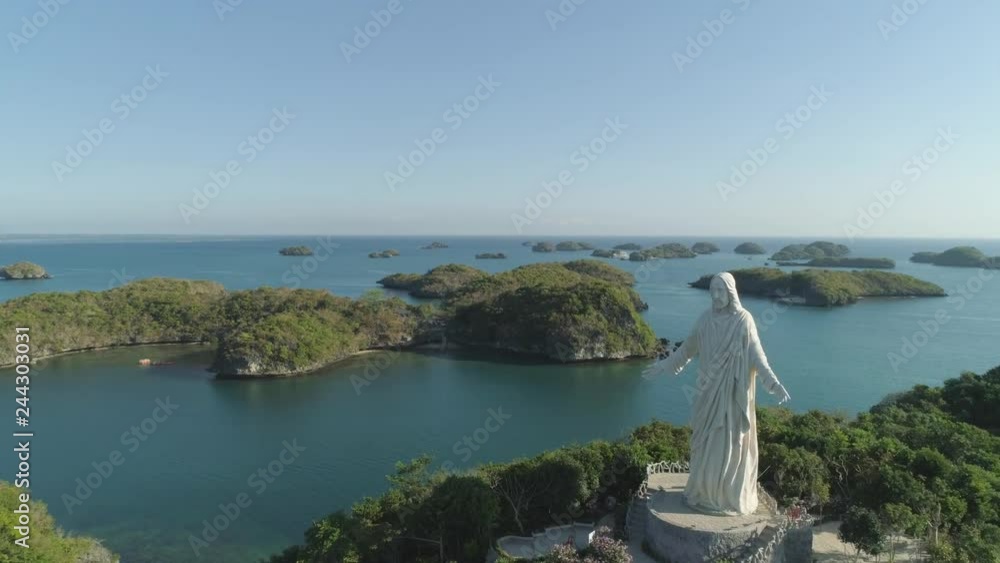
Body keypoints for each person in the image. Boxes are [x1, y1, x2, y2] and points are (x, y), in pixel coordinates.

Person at [642, 272, 790, 515]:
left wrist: (772, 382)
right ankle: (703, 492)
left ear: (731, 292)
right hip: (707, 393)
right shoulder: (704, 320)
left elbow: (757, 354)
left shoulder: (744, 320)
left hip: (732, 396)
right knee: (705, 441)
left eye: (721, 290)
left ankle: (725, 496)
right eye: (713, 290)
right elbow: (686, 350)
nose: (716, 295)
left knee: (729, 443)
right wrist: (662, 365)